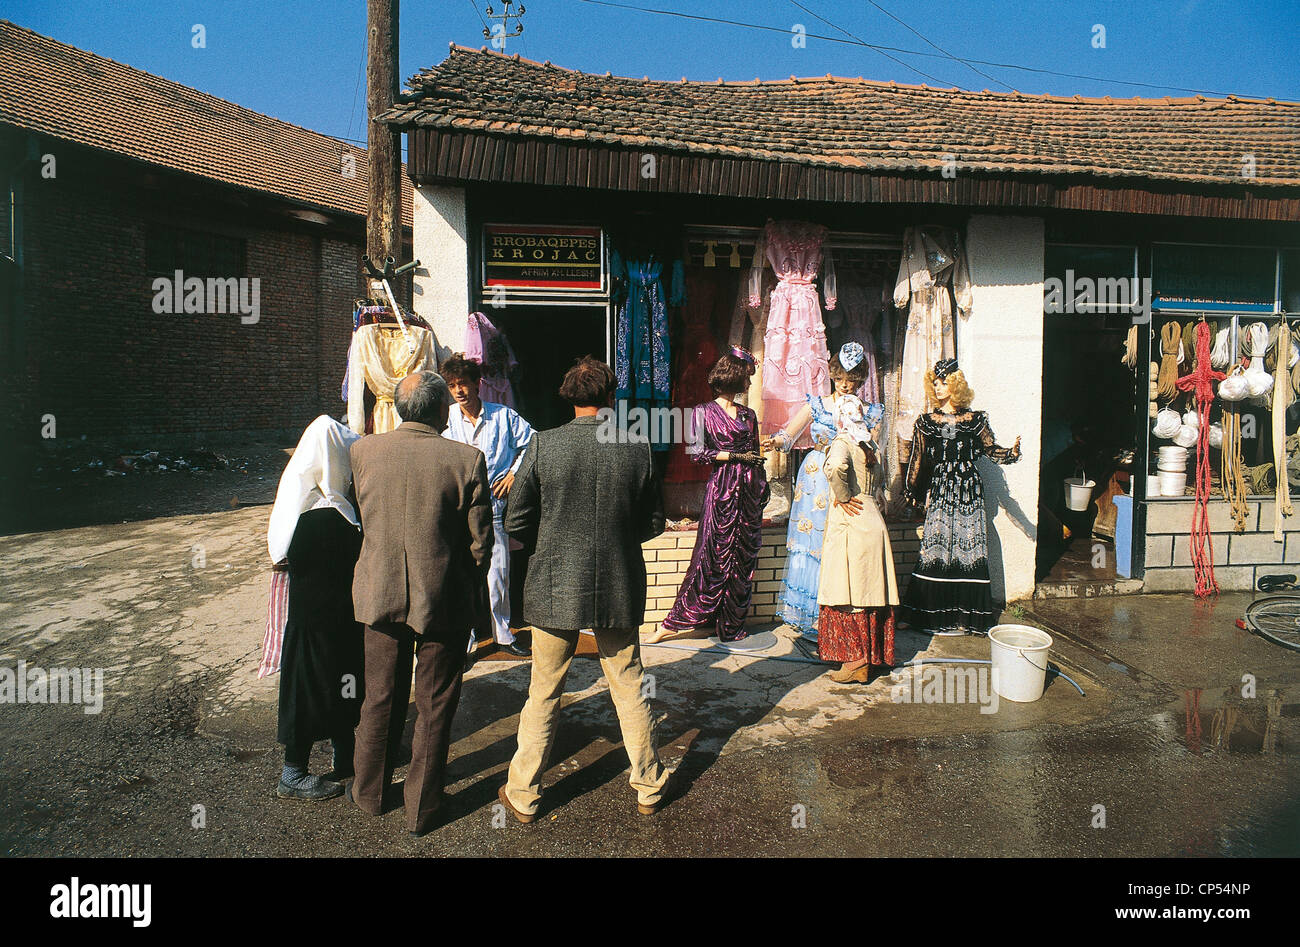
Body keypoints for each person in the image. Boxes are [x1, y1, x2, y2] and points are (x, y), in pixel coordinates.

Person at [497, 356, 672, 823]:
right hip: (616, 581)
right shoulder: (637, 448)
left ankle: (525, 794)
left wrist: (553, 541)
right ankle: (649, 785)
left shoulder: (544, 445)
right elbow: (654, 522)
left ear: (569, 398)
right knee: (630, 684)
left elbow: (515, 520)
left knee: (544, 690)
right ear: (609, 398)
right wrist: (613, 541)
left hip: (555, 585)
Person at [348, 371, 494, 836]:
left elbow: (363, 517)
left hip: (378, 592)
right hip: (443, 600)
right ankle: (421, 809)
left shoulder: (363, 451)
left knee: (379, 697)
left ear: (398, 407)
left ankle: (368, 794)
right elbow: (480, 543)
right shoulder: (466, 459)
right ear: (441, 410)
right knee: (435, 704)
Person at [266, 415, 365, 800]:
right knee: (316, 688)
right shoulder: (326, 512)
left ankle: (345, 754)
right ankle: (293, 773)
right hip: (319, 624)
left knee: (340, 682)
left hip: (327, 621)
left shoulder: (302, 503)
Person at [650, 347, 768, 644]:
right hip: (722, 490)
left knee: (741, 558)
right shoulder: (702, 412)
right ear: (734, 379)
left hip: (748, 491)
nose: (749, 385)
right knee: (710, 555)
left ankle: (727, 623)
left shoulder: (748, 414)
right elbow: (697, 453)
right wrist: (735, 457)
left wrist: (760, 481)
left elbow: (755, 452)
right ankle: (674, 622)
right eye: (746, 379)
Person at [903, 358, 1021, 636]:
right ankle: (922, 615)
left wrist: (1012, 453)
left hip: (969, 491)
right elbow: (917, 461)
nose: (939, 387)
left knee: (968, 551)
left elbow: (992, 451)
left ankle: (966, 618)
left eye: (944, 382)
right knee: (936, 548)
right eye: (936, 382)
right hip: (942, 490)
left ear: (956, 386)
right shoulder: (926, 423)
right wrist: (911, 492)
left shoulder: (975, 420)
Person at [764, 343, 867, 652]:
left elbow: (867, 447)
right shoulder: (818, 404)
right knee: (812, 543)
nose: (847, 384)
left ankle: (834, 614)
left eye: (853, 378)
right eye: (842, 377)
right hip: (814, 475)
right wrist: (776, 441)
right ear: (833, 374)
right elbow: (789, 433)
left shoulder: (862, 410)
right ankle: (808, 616)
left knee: (837, 543)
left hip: (845, 476)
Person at [441, 352, 535, 659]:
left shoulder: (503, 416)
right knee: (463, 575)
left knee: (499, 574)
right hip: (459, 509)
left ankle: (503, 634)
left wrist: (514, 473)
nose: (459, 391)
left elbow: (533, 443)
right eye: (453, 385)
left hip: (494, 507)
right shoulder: (447, 419)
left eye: (464, 383)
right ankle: (467, 639)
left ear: (477, 384)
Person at [816, 396, 899, 683]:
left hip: (851, 521)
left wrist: (843, 496)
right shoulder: (869, 443)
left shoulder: (842, 442)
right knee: (869, 592)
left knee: (848, 593)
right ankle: (869, 659)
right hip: (872, 518)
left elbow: (837, 466)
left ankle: (855, 663)